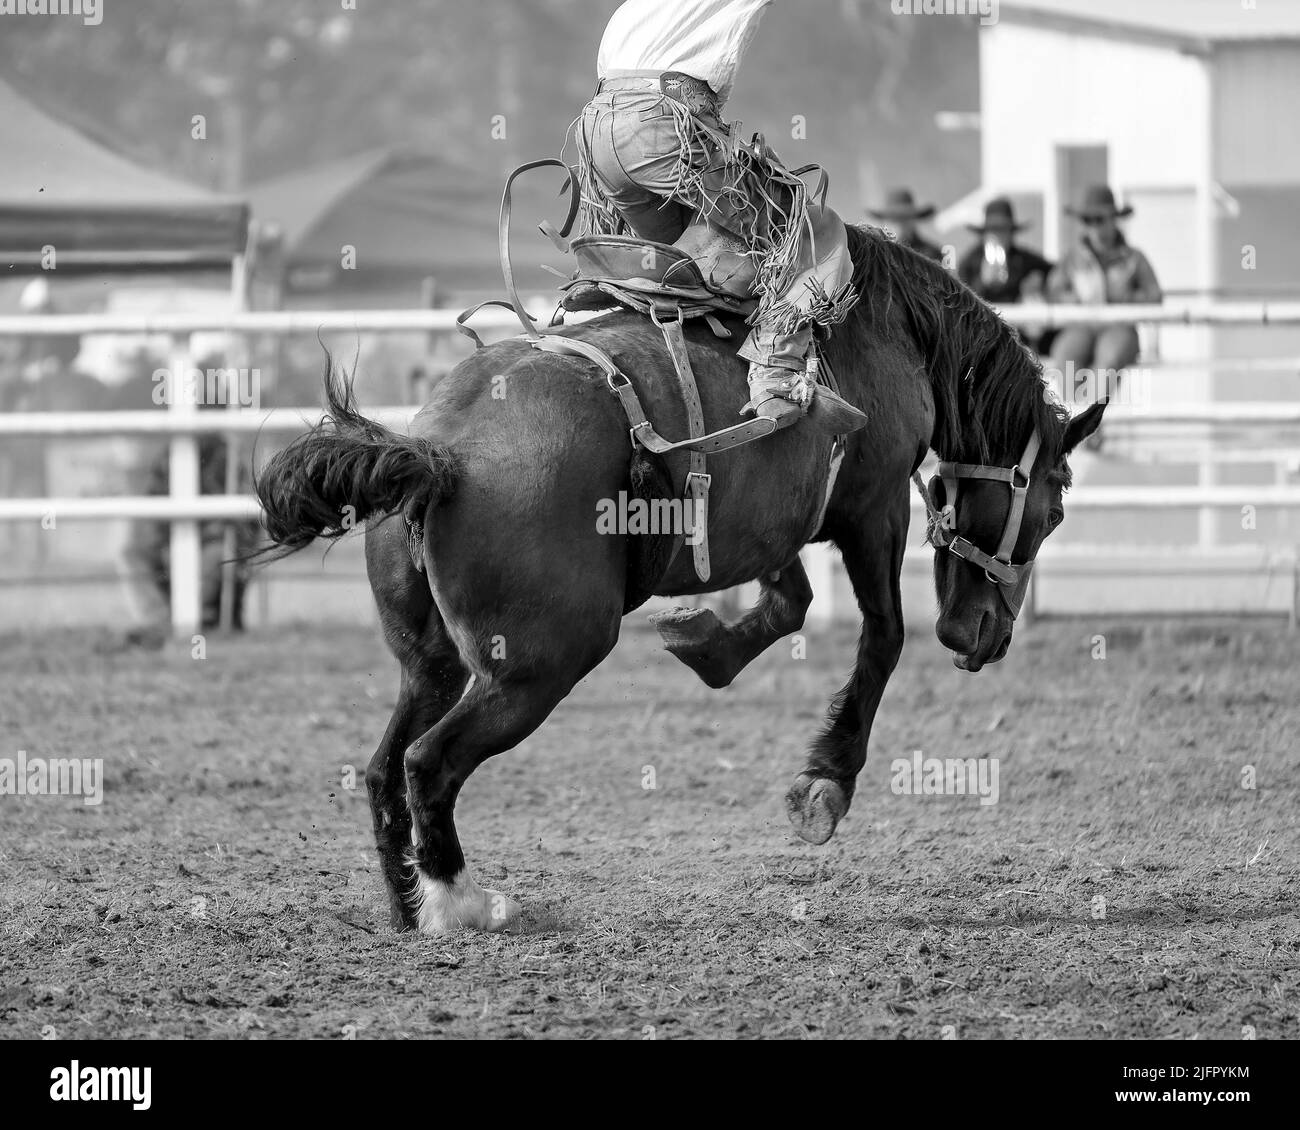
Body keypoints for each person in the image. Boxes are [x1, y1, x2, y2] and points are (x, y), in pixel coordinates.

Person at [571, 0, 867, 433]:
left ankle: (630, 317)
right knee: (811, 229)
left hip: (597, 126)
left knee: (691, 253)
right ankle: (776, 372)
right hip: (662, 121)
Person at [1046, 185, 1161, 407]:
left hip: (1120, 327)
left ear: (1113, 220)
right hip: (1082, 325)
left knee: (1109, 358)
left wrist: (1125, 301)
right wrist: (1076, 301)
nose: (1095, 227)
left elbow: (1154, 296)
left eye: (1100, 220)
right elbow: (1053, 291)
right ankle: (1076, 417)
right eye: (1088, 221)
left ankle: (1089, 419)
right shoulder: (1072, 259)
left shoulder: (1134, 258)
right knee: (1064, 353)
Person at [867, 188, 944, 262]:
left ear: (914, 220)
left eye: (905, 218)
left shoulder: (932, 254)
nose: (900, 225)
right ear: (885, 223)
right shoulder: (877, 256)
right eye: (894, 219)